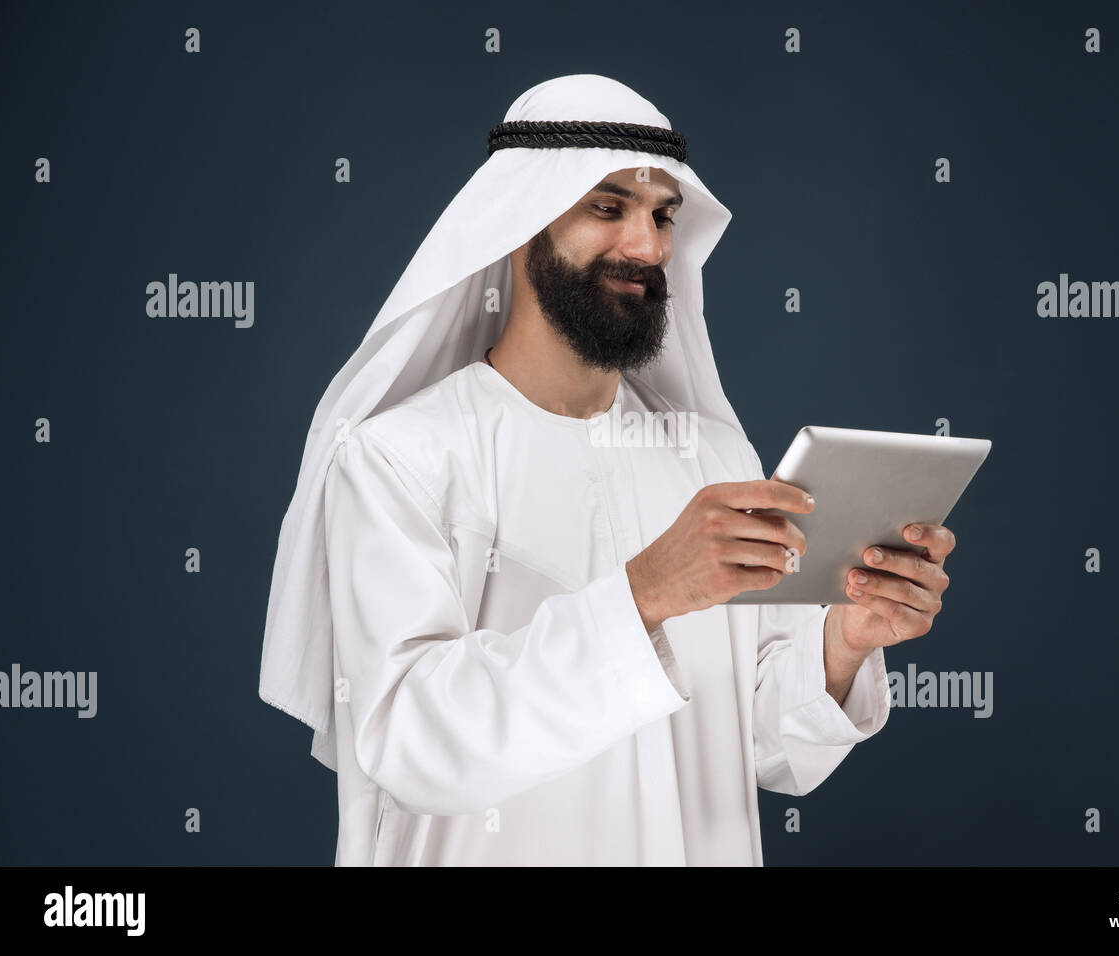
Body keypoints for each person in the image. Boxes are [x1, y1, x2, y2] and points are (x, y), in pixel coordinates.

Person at [258, 74, 955, 866]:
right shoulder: (400, 457)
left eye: (662, 216)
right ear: (522, 223)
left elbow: (769, 748)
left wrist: (845, 641)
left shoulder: (714, 460)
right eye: (607, 206)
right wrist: (646, 594)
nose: (648, 247)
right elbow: (411, 738)